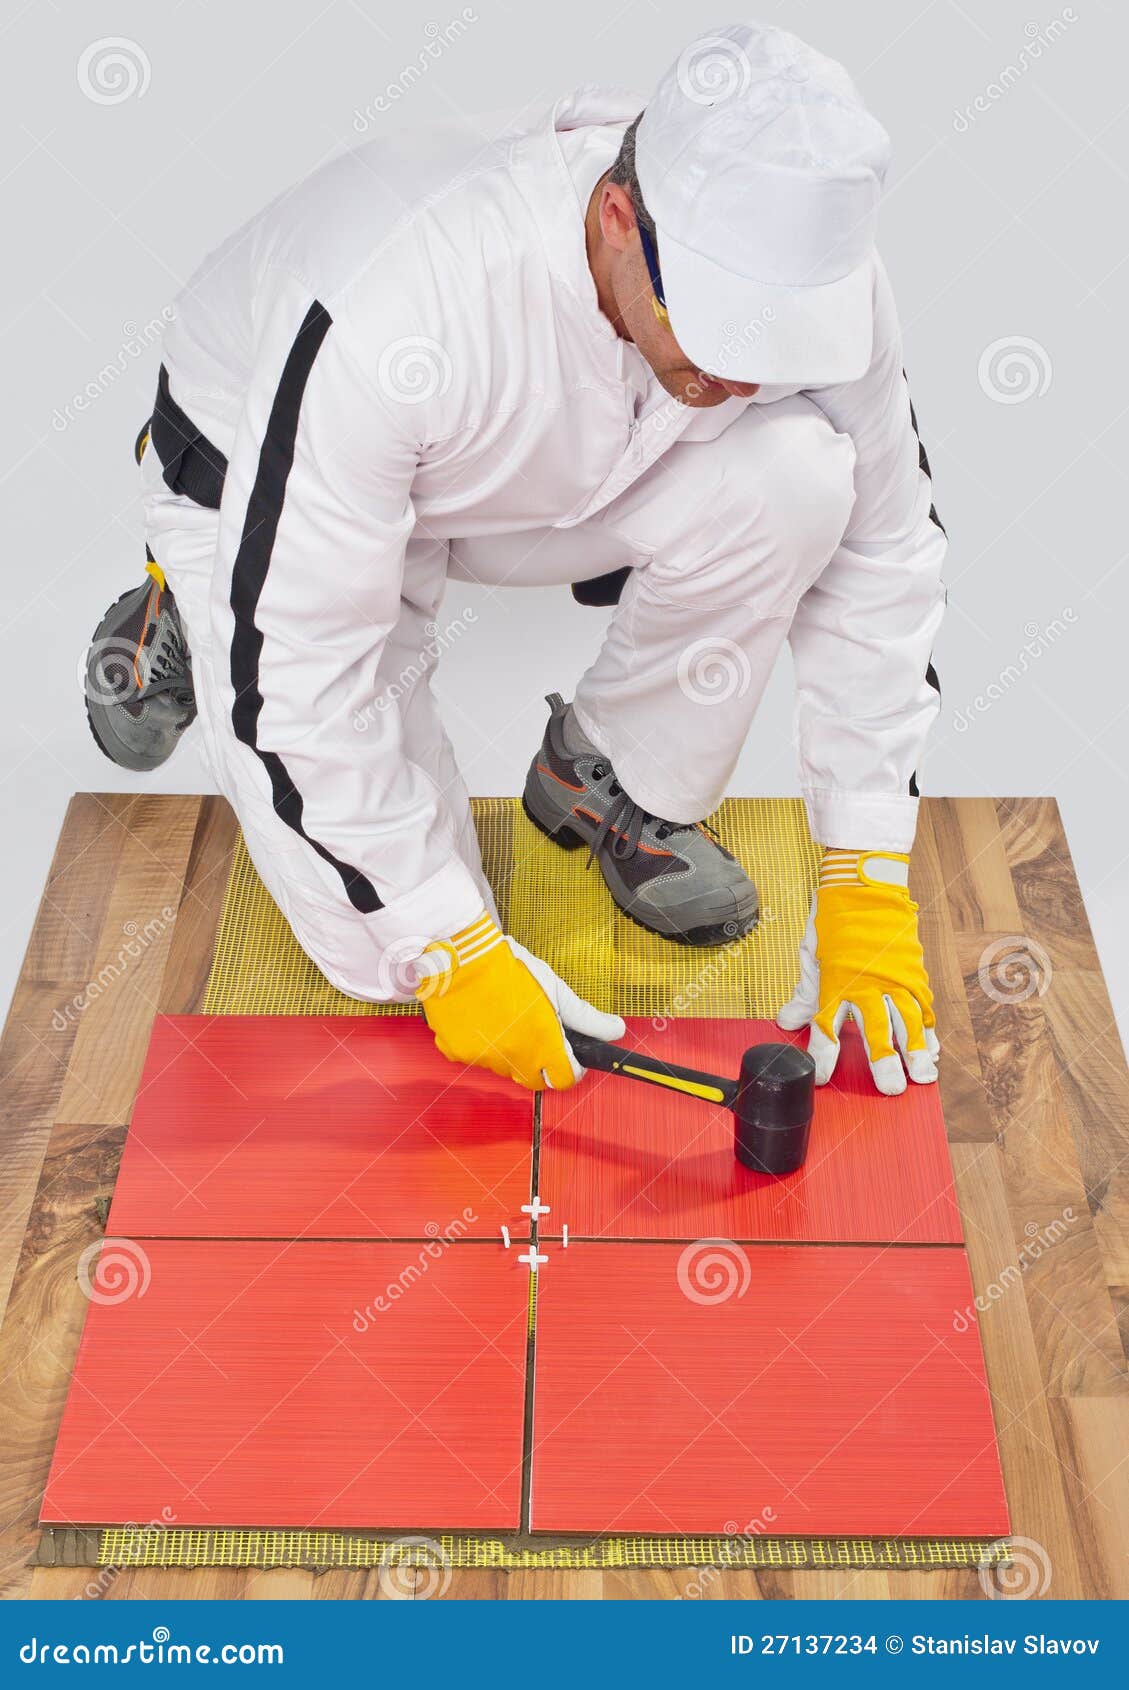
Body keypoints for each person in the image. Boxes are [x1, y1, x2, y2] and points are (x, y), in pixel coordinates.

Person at [85, 22, 943, 1098]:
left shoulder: (817, 283)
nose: (741, 377)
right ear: (620, 221)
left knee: (805, 476)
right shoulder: (398, 297)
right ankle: (192, 608)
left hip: (529, 457)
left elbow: (883, 551)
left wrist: (864, 868)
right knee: (388, 952)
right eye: (721, 333)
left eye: (776, 347)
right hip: (260, 463)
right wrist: (447, 943)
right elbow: (305, 672)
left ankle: (609, 779)